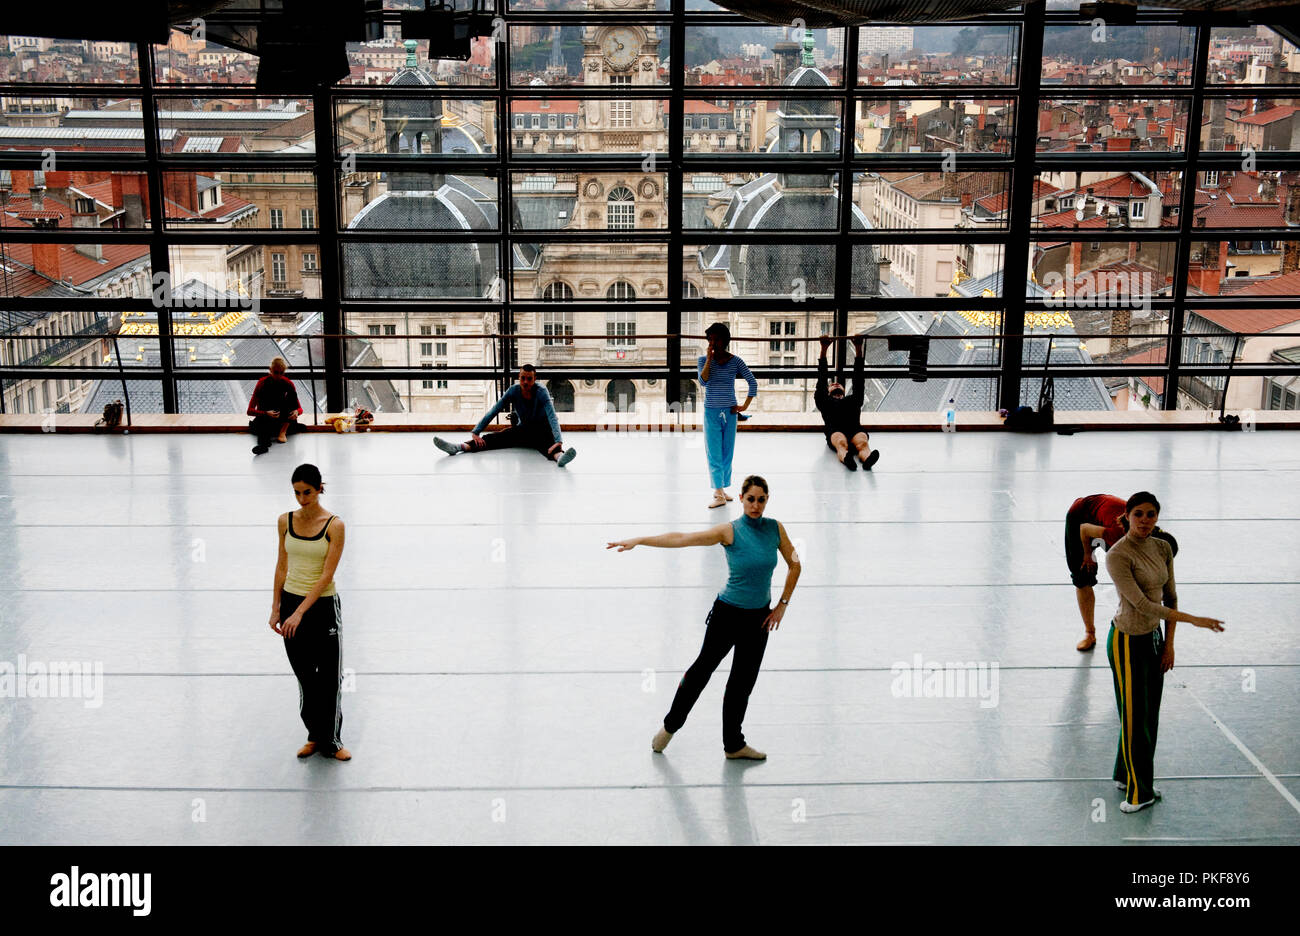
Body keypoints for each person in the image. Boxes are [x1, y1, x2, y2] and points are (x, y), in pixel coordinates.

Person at [607, 475, 800, 760]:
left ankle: (734, 745)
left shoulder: (775, 529)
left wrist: (782, 604)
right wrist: (641, 540)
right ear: (743, 499)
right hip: (728, 614)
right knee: (701, 672)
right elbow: (683, 539)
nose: (756, 506)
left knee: (742, 683)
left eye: (761, 499)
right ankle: (669, 727)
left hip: (759, 619)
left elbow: (795, 565)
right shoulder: (729, 531)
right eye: (750, 499)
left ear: (767, 499)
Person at [1104, 491, 1223, 813]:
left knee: (1146, 715)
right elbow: (1142, 604)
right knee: (1133, 718)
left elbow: (1170, 597)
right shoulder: (1117, 555)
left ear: (1157, 517)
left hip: (1153, 638)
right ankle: (1139, 792)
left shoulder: (1163, 547)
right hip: (1127, 641)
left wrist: (1169, 644)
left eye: (1151, 514)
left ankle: (1123, 774)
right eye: (1138, 514)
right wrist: (1196, 621)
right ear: (1126, 516)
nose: (1144, 520)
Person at [269, 464, 350, 761]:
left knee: (329, 677)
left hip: (322, 607)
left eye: (307, 492)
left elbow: (327, 575)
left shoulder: (334, 526)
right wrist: (276, 607)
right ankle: (314, 736)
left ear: (319, 489)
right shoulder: (284, 521)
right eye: (297, 492)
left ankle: (332, 740)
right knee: (305, 676)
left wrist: (300, 612)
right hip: (290, 605)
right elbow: (281, 565)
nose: (302, 499)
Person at [1066, 493, 1179, 651]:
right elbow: (1084, 529)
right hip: (1081, 518)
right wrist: (1088, 554)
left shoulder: (1156, 540)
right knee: (1083, 576)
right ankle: (1089, 633)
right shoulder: (1118, 536)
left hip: (1104, 518)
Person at [433, 364, 576, 467]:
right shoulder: (513, 391)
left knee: (548, 443)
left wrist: (559, 440)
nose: (526, 382)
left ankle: (560, 457)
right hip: (523, 430)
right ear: (519, 378)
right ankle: (458, 447)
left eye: (529, 379)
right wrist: (476, 431)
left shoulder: (541, 391)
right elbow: (494, 410)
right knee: (494, 438)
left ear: (534, 379)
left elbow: (552, 416)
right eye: (523, 378)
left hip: (542, 429)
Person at [698, 322, 757, 508]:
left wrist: (743, 407)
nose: (713, 343)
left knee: (727, 453)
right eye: (711, 340)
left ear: (725, 340)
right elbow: (703, 381)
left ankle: (721, 489)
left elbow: (752, 383)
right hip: (711, 412)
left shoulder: (736, 361)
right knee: (713, 452)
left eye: (717, 339)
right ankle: (718, 492)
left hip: (730, 413)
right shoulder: (703, 360)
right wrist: (708, 359)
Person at [815, 334, 879, 471]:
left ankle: (867, 459)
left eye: (839, 384)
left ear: (844, 391)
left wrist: (858, 348)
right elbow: (821, 379)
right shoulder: (824, 401)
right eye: (833, 384)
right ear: (828, 391)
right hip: (835, 431)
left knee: (862, 443)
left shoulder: (853, 400)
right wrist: (824, 349)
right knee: (841, 443)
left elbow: (859, 378)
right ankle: (847, 459)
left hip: (855, 429)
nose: (836, 384)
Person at [248, 357, 302, 456]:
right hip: (267, 419)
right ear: (270, 370)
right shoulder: (262, 383)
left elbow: (299, 408)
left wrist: (296, 412)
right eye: (276, 372)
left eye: (281, 373)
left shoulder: (288, 383)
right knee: (263, 428)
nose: (278, 375)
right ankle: (265, 444)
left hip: (281, 420)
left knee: (290, 395)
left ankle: (281, 432)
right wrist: (265, 413)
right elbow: (249, 411)